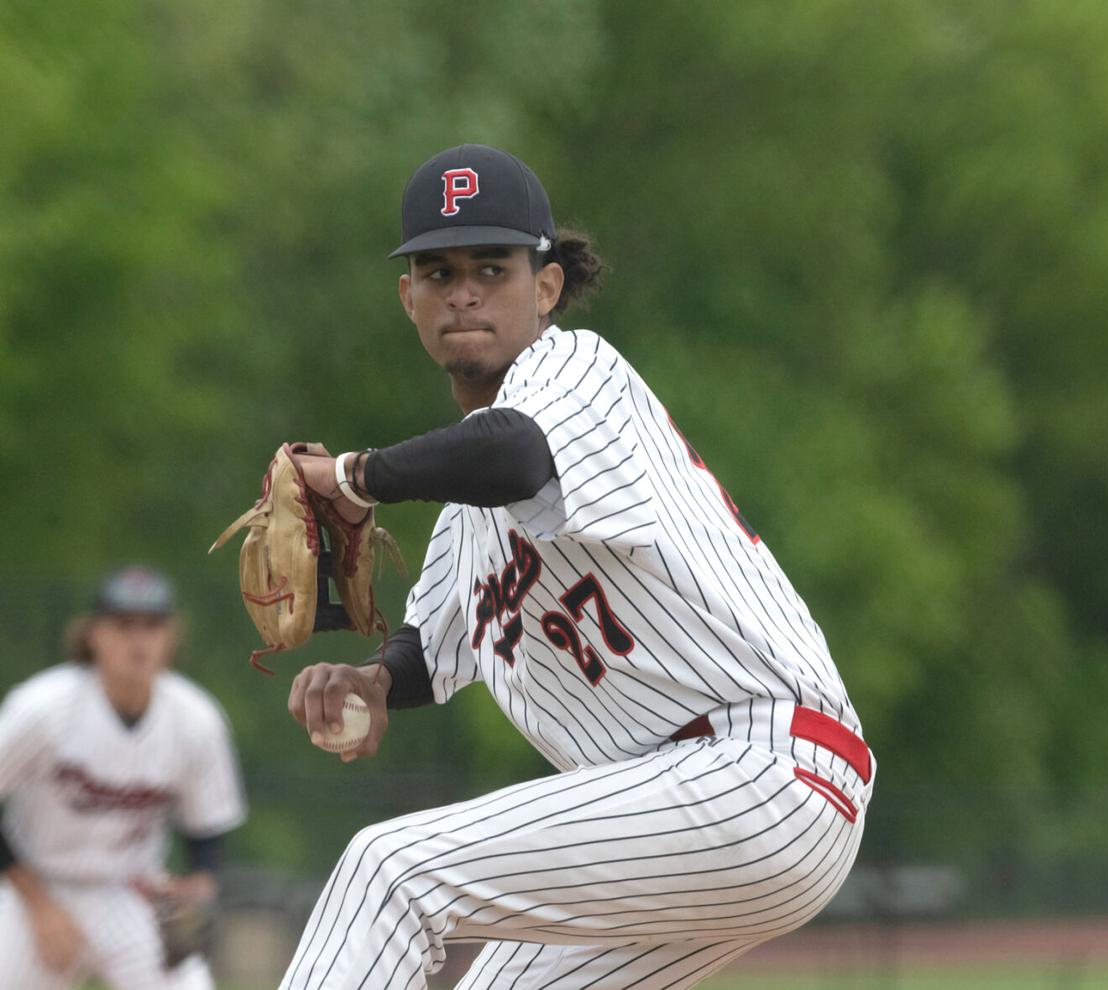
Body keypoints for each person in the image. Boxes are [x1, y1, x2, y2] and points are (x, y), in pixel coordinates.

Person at [280, 144, 874, 989]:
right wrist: (369, 685)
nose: (465, 290)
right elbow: (430, 649)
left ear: (547, 287)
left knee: (392, 871)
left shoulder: (578, 372)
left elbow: (514, 454)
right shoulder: (465, 515)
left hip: (760, 767)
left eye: (493, 266)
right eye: (438, 272)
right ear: (408, 298)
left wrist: (351, 478)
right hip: (673, 814)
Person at [0, 566, 247, 990]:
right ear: (94, 634)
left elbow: (206, 831)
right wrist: (39, 906)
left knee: (189, 984)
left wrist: (200, 890)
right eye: (123, 625)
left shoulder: (196, 719)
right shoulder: (41, 710)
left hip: (129, 892)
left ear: (171, 636)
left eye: (152, 626)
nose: (139, 640)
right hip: (32, 885)